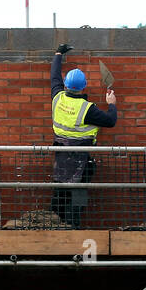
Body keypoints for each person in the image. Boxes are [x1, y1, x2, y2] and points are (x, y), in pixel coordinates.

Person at [49, 44, 117, 227]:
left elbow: (54, 76)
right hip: (81, 159)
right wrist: (111, 103)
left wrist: (58, 54)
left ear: (65, 85)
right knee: (77, 199)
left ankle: (56, 228)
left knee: (59, 196)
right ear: (83, 87)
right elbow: (111, 121)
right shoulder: (88, 109)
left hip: (61, 158)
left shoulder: (57, 98)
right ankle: (73, 229)